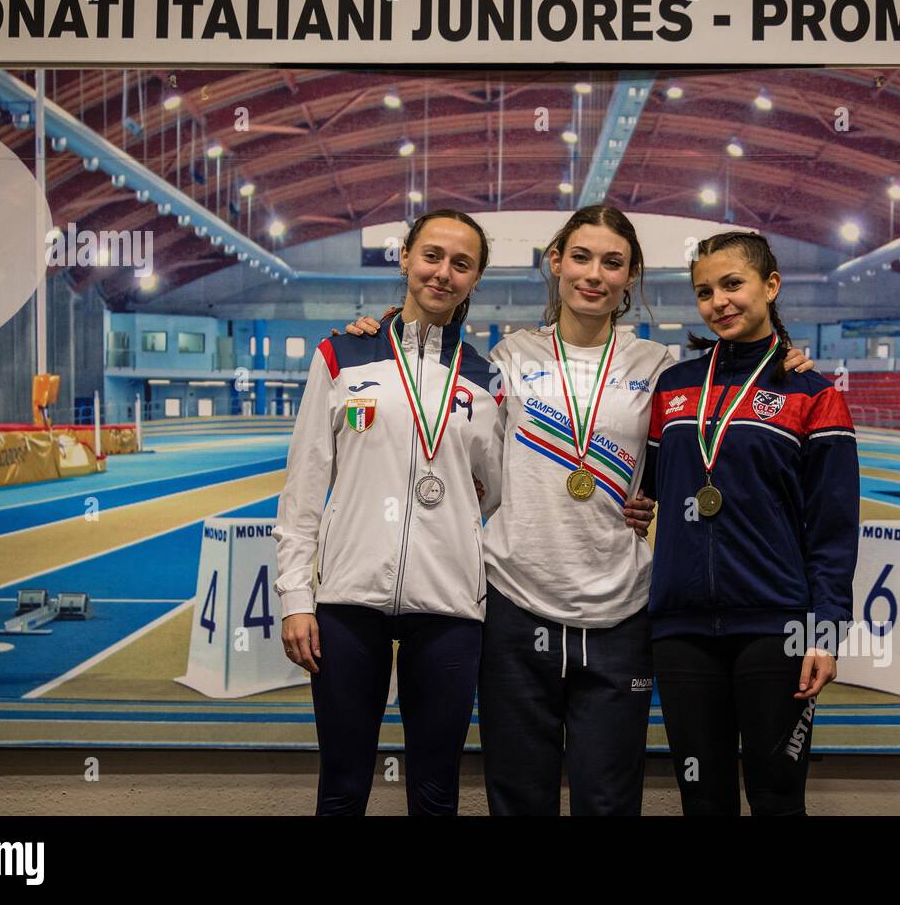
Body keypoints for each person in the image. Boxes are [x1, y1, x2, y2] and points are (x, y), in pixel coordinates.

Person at [344, 207, 816, 815]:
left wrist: (785, 361)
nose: (595, 274)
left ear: (630, 276)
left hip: (621, 612)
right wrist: (379, 329)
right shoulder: (505, 359)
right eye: (582, 257)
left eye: (613, 263)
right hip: (514, 604)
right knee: (518, 799)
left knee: (608, 801)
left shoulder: (661, 371)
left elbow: (714, 426)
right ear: (556, 263)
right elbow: (430, 366)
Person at [272, 209, 503, 816]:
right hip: (349, 603)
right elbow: (303, 489)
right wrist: (297, 597)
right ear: (405, 258)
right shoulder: (341, 355)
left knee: (435, 794)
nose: (443, 273)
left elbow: (497, 494)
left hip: (450, 608)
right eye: (432, 256)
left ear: (475, 278)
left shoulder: (485, 379)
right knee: (343, 789)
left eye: (461, 264)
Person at [640, 230, 859, 816]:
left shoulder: (813, 393)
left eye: (732, 284)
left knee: (778, 796)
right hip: (681, 629)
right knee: (701, 798)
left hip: (776, 625)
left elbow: (833, 527)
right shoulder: (674, 387)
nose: (719, 302)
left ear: (771, 285)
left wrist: (827, 631)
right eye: (704, 291)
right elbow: (649, 485)